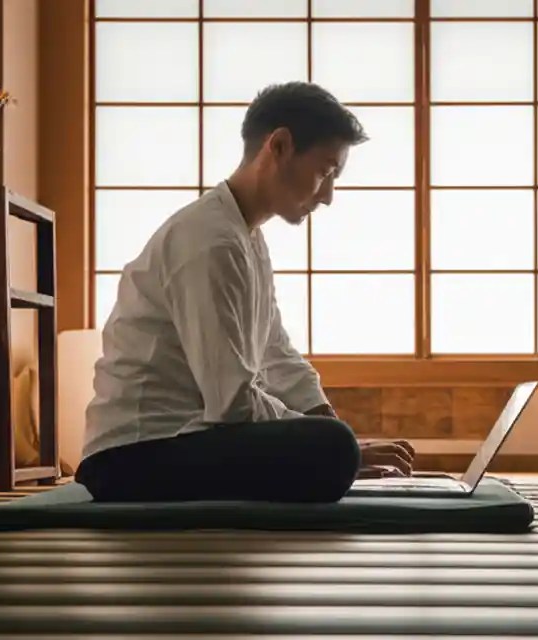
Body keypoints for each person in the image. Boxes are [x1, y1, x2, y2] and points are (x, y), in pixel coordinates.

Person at [76, 82, 415, 503]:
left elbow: (276, 351)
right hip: (134, 456)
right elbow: (230, 402)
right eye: (326, 172)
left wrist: (328, 424)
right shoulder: (210, 240)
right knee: (333, 451)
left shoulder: (245, 237)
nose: (327, 196)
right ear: (280, 146)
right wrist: (331, 442)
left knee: (335, 446)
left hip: (180, 442)